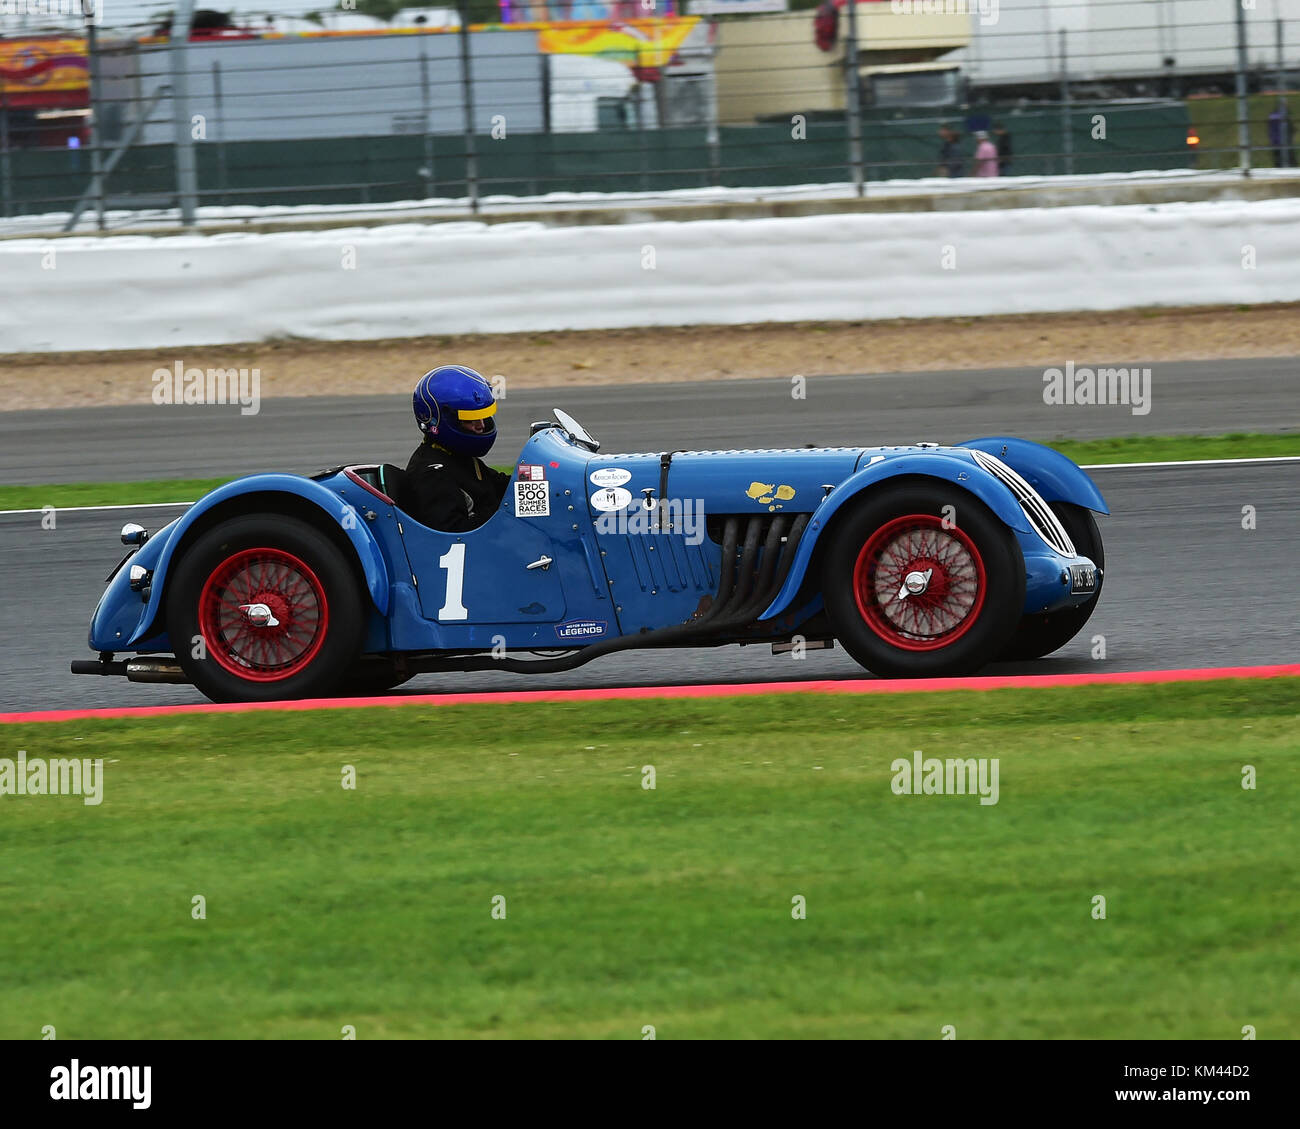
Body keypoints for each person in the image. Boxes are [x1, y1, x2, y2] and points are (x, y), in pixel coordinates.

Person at [396, 365, 509, 531]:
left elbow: (506, 486)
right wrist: (506, 514)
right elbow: (453, 532)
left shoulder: (460, 458)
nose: (481, 425)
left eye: (483, 416)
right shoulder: (432, 473)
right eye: (471, 419)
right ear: (439, 420)